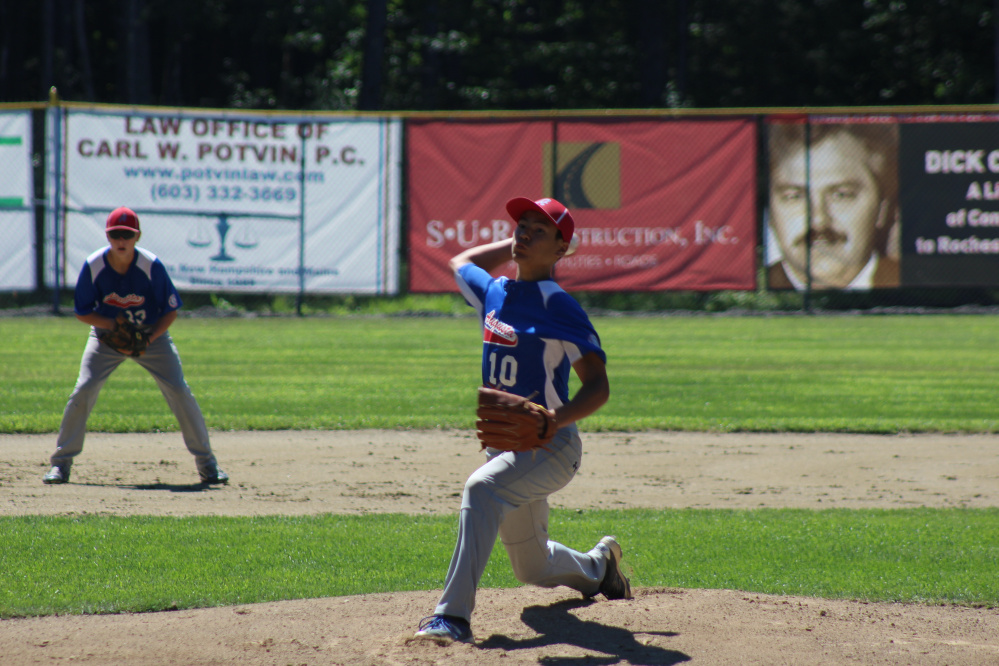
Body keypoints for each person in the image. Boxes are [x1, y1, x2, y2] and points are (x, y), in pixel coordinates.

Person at [414, 196, 631, 644]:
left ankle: (451, 617)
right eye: (522, 225)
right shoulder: (494, 291)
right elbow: (461, 261)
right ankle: (598, 568)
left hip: (551, 447)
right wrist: (518, 243)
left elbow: (598, 387)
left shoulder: (560, 306)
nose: (525, 232)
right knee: (531, 568)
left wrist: (556, 418)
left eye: (540, 229)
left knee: (481, 488)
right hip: (507, 447)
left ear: (562, 248)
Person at [42, 207, 228, 486]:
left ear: (137, 236)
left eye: (127, 234)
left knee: (178, 389)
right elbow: (82, 311)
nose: (121, 239)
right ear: (107, 235)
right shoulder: (94, 266)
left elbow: (170, 311)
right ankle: (61, 464)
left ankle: (207, 463)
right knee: (85, 388)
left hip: (151, 336)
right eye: (115, 233)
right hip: (106, 338)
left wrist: (147, 340)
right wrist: (112, 327)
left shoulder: (151, 266)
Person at [767, 123, 900, 290]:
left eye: (841, 195)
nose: (818, 220)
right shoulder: (760, 288)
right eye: (794, 196)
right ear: (771, 213)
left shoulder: (908, 282)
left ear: (882, 208)